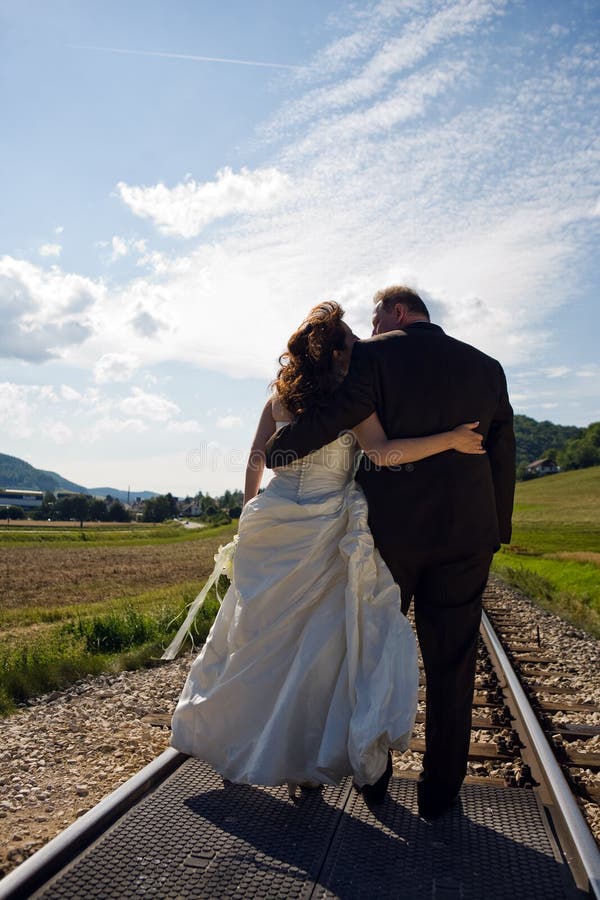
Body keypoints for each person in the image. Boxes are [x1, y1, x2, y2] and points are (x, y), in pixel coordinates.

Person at [170, 300, 487, 803]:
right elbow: (385, 453)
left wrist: (250, 514)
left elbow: (255, 462)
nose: (360, 347)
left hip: (276, 525)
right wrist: (450, 438)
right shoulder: (352, 402)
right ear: (338, 353)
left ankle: (233, 736)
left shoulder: (279, 400)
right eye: (353, 342)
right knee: (314, 651)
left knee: (255, 639)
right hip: (323, 531)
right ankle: (303, 759)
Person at [265, 287, 516, 818]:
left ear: (398, 311)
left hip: (391, 535)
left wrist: (282, 448)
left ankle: (374, 773)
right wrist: (497, 529)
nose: (372, 327)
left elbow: (341, 414)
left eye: (376, 316)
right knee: (453, 663)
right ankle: (440, 794)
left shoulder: (373, 356)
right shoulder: (488, 367)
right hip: (466, 535)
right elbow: (502, 452)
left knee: (374, 651)